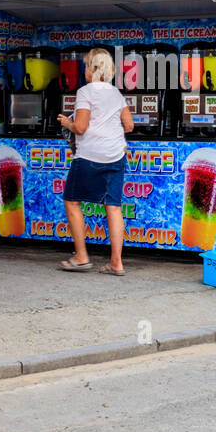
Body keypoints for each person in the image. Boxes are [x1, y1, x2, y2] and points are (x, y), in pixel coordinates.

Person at [57, 47, 133, 275]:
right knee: (114, 206)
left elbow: (80, 127)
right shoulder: (116, 94)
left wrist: (66, 123)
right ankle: (116, 262)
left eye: (85, 67)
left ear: (91, 69)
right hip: (115, 155)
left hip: (89, 155)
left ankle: (81, 256)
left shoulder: (85, 92)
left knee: (71, 201)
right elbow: (129, 125)